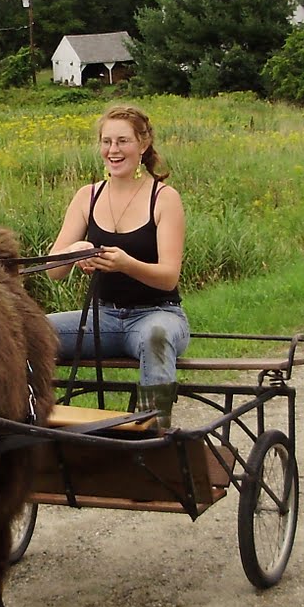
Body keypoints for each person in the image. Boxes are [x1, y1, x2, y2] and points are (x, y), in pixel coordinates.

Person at [47, 103, 189, 426]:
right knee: (28, 331)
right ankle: (33, 423)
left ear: (143, 144)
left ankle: (154, 431)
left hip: (159, 315)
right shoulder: (87, 196)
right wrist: (74, 252)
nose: (114, 150)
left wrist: (126, 264)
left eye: (123, 141)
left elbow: (168, 278)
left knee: (155, 337)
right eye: (107, 141)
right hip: (104, 318)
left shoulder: (164, 198)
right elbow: (54, 272)